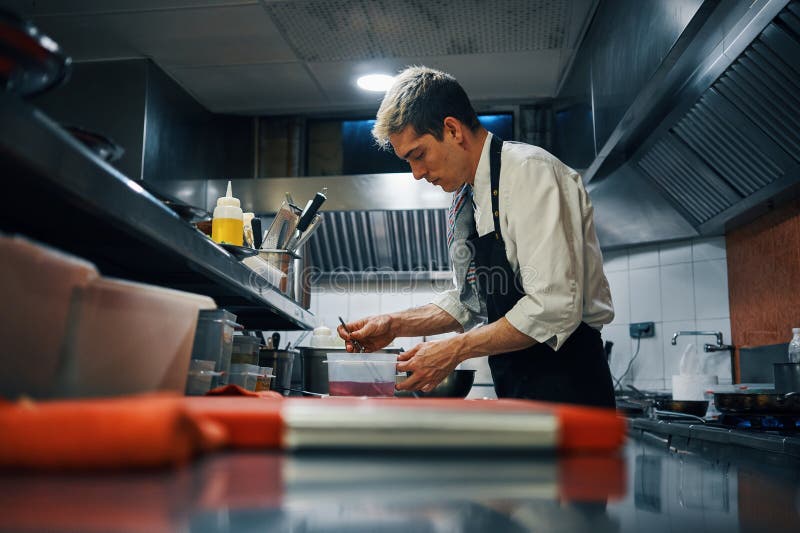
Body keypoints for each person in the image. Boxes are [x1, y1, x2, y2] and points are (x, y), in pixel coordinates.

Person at [337, 66, 616, 407]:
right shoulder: (467, 198)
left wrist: (453, 350)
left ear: (452, 130)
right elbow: (470, 300)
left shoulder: (529, 173)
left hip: (571, 391)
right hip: (519, 391)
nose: (417, 174)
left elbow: (552, 308)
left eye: (418, 155)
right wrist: (394, 324)